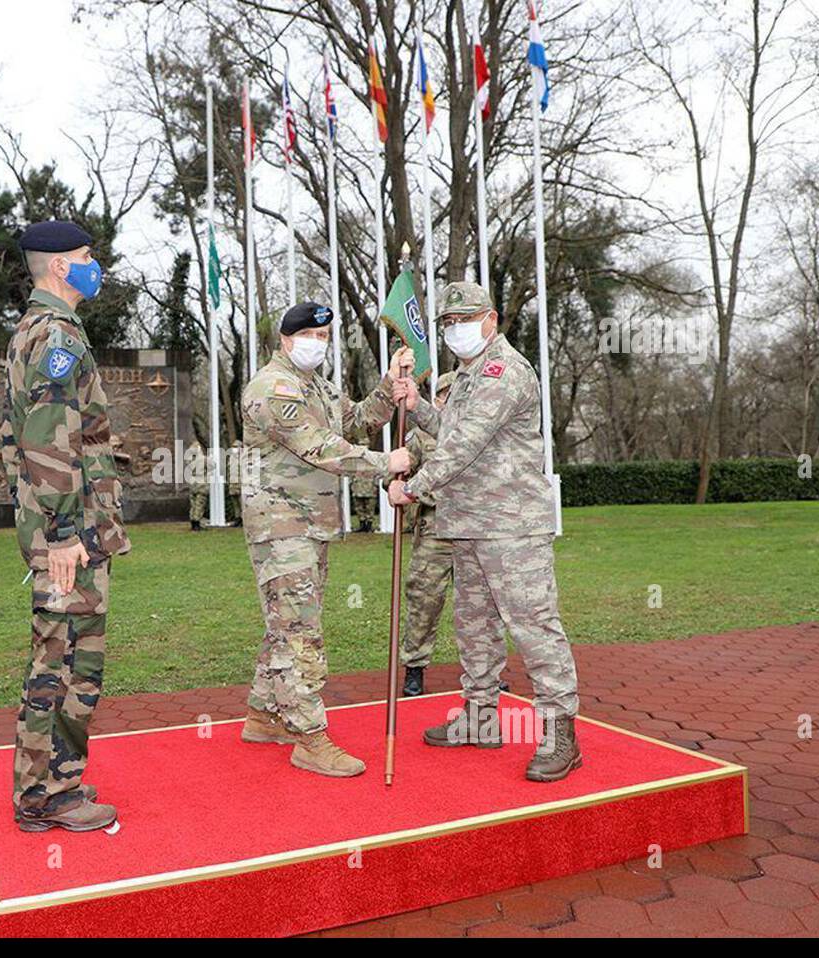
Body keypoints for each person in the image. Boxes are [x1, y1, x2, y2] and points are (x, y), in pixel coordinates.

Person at [388, 282, 581, 782]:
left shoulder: (503, 371)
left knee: (533, 626)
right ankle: (479, 717)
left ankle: (560, 731)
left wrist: (414, 488)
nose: (456, 330)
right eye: (448, 323)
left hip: (510, 525)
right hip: (469, 523)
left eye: (465, 319)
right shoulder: (471, 376)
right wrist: (419, 404)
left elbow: (464, 446)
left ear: (491, 318)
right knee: (474, 627)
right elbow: (453, 429)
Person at [241, 300, 414, 777]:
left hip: (308, 524)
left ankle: (264, 714)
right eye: (309, 337)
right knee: (299, 631)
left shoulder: (314, 384)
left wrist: (388, 386)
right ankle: (310, 738)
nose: (317, 344)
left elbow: (355, 420)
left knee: (287, 621)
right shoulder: (273, 388)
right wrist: (385, 463)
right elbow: (318, 446)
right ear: (285, 340)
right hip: (281, 526)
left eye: (324, 338)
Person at [3, 219, 130, 833]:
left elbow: (21, 438)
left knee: (64, 655)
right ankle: (48, 794)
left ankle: (55, 774)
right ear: (59, 267)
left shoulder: (37, 330)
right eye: (86, 256)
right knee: (68, 661)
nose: (93, 265)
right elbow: (49, 440)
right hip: (69, 536)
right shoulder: (56, 334)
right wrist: (60, 535)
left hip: (70, 528)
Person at [399, 372, 456, 697]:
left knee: (479, 605)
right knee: (424, 599)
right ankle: (415, 669)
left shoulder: (479, 433)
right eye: (444, 395)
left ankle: (485, 672)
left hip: (473, 532)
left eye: (454, 395)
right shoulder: (420, 436)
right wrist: (401, 477)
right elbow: (396, 477)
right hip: (435, 531)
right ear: (436, 400)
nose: (448, 400)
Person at [184, 438, 209, 530]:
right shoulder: (203, 460)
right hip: (201, 485)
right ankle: (197, 523)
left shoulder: (189, 461)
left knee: (193, 504)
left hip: (192, 484)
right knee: (199, 504)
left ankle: (193, 522)